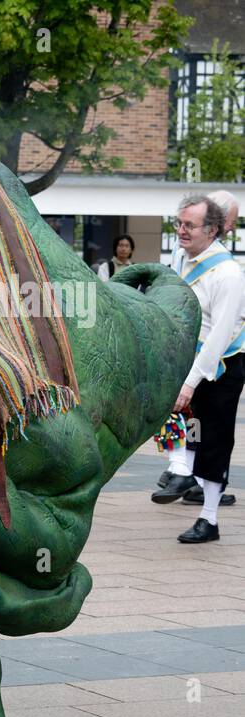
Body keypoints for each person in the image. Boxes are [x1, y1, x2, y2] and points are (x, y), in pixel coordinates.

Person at [150, 194, 245, 544]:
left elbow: (219, 336)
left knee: (214, 443)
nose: (181, 231)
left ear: (212, 229)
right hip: (187, 363)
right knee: (192, 433)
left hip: (218, 370)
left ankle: (210, 518)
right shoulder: (182, 260)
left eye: (189, 225)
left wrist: (190, 382)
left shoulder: (228, 274)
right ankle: (182, 472)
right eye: (179, 224)